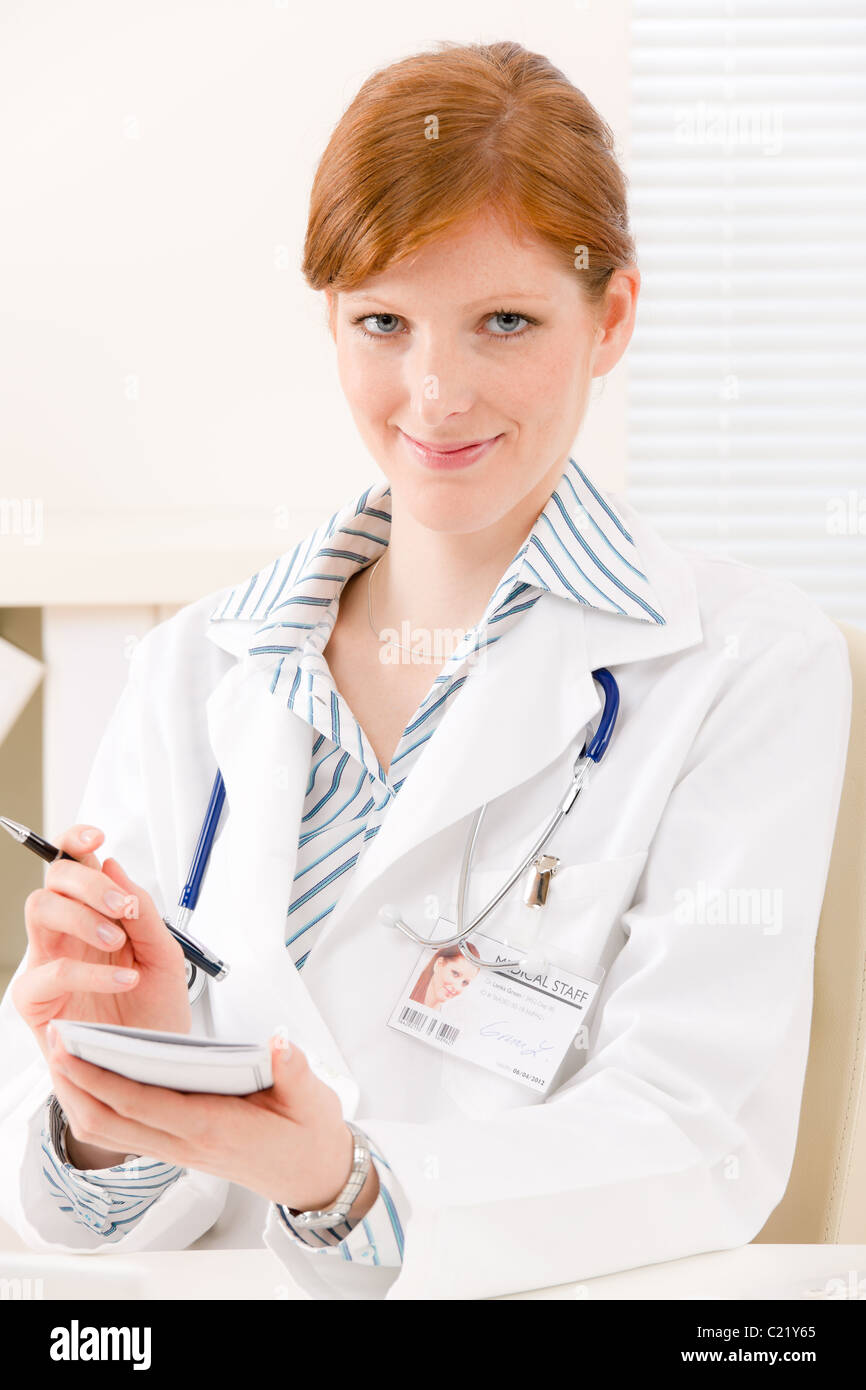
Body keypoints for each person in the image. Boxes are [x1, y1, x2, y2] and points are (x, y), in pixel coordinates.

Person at [0, 39, 853, 1302]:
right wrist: (119, 1090)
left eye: (503, 320)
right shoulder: (195, 667)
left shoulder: (746, 662)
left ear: (609, 316)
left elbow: (695, 1131)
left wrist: (348, 1185)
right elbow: (76, 1227)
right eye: (382, 323)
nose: (434, 393)